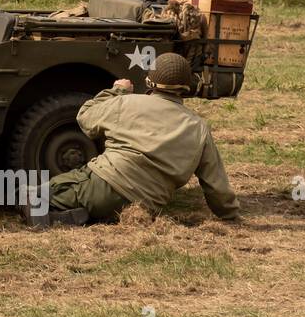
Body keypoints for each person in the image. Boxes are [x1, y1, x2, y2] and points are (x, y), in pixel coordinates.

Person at [29, 52, 240, 227]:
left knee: (29, 196)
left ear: (150, 82)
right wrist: (230, 215)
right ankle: (78, 217)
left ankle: (52, 216)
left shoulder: (127, 103)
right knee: (99, 206)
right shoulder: (198, 128)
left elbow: (85, 117)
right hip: (145, 208)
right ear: (186, 87)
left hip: (104, 186)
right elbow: (216, 186)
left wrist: (117, 91)